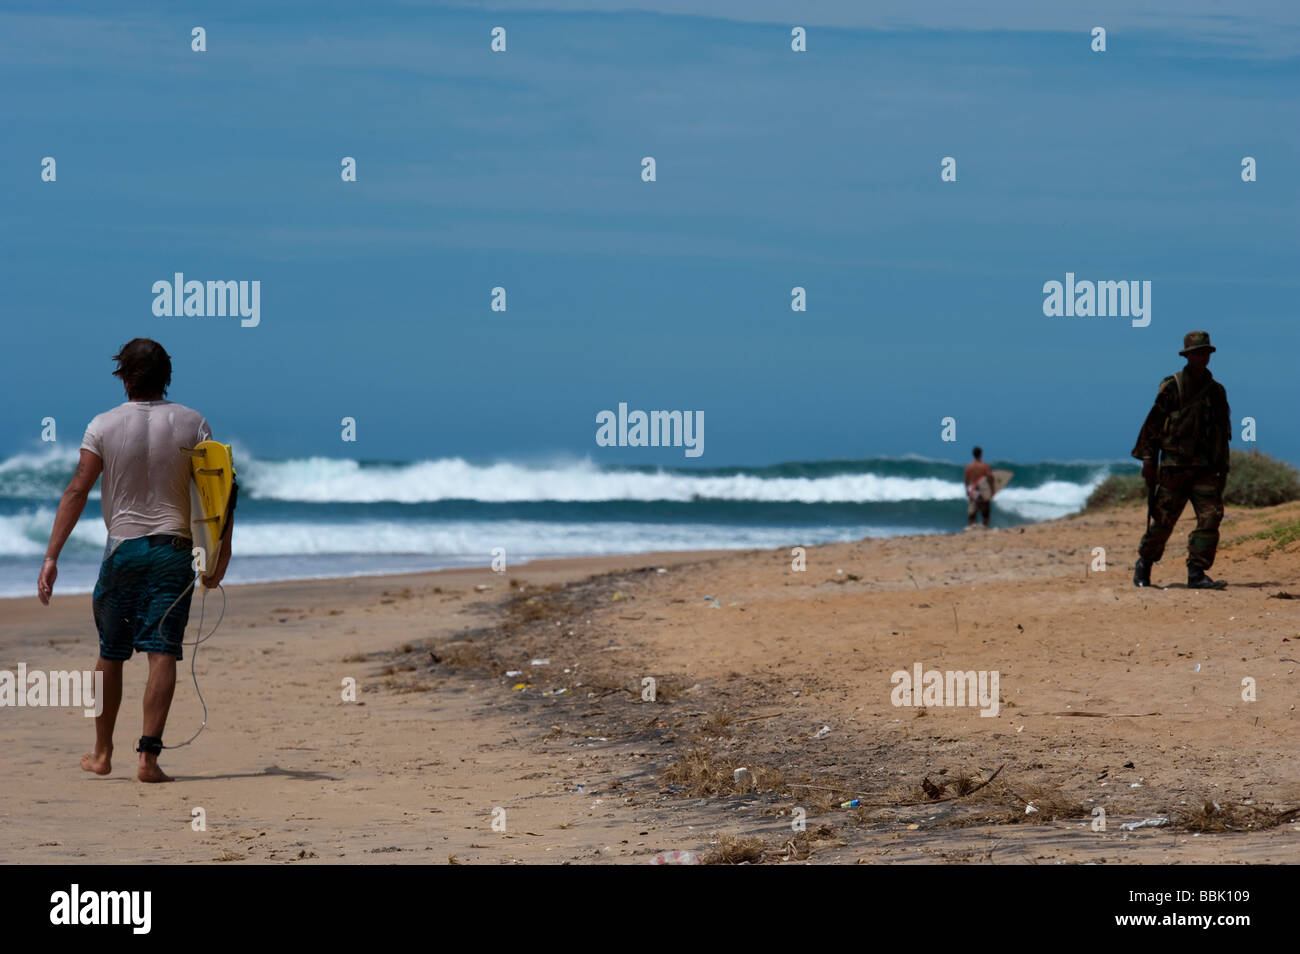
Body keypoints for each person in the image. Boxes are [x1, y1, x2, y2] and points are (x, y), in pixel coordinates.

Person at [37, 339, 229, 782]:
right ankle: (148, 759)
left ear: (123, 377)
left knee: (110, 652)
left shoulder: (102, 425)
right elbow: (218, 495)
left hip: (122, 550)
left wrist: (51, 557)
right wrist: (219, 557)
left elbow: (77, 490)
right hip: (174, 551)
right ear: (167, 376)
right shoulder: (193, 422)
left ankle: (102, 753)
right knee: (162, 652)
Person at [1130, 331, 1230, 589]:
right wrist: (1148, 460)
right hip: (1175, 468)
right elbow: (1152, 425)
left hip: (1205, 469)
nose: (1202, 357)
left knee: (1211, 517)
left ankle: (1196, 572)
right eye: (1197, 353)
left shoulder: (1216, 391)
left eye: (1205, 352)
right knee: (1163, 520)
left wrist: (1223, 469)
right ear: (1187, 356)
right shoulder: (1173, 386)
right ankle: (1144, 564)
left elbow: (1223, 433)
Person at [964, 447, 996, 528]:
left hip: (973, 491)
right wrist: (992, 490)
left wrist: (967, 491)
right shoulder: (985, 466)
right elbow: (990, 478)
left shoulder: (968, 467)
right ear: (981, 454)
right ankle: (984, 528)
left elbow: (966, 481)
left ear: (973, 454)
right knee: (985, 514)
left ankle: (972, 527)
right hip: (982, 491)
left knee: (972, 514)